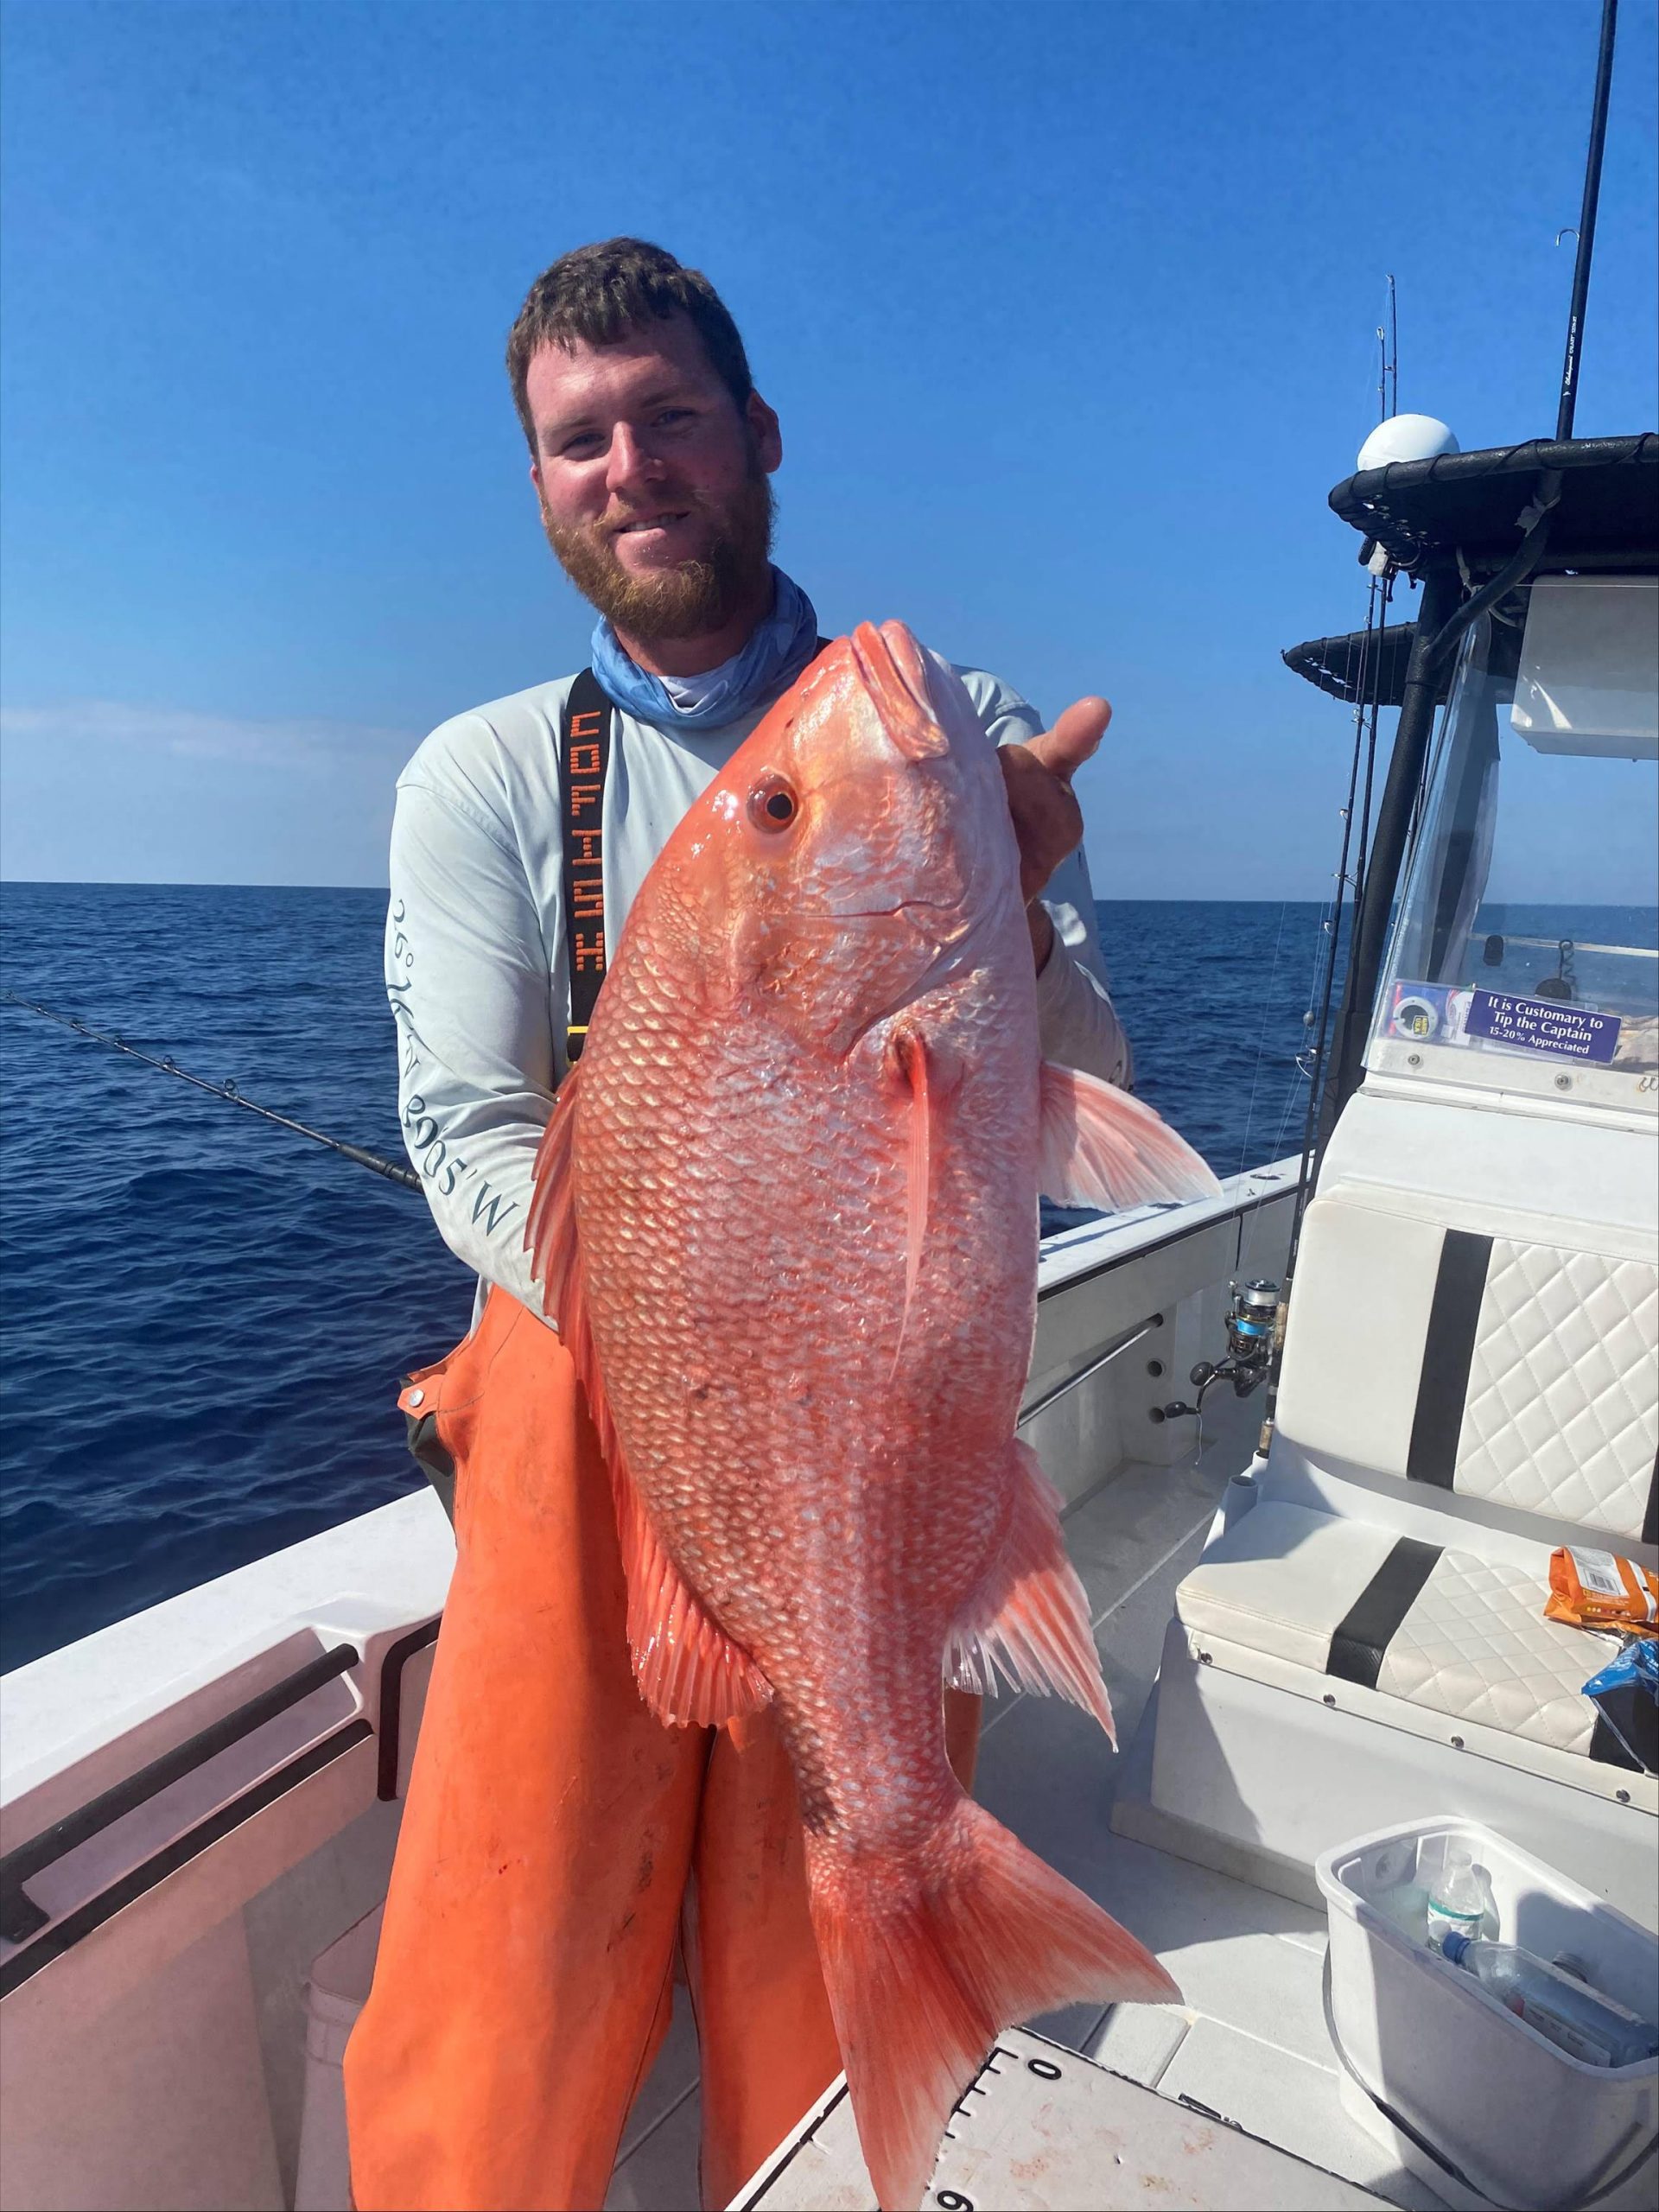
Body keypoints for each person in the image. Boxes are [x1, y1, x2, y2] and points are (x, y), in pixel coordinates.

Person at [344, 238, 1135, 2212]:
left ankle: (859, 2103)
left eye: (670, 416)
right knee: (507, 1958)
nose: (630, 465)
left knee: (819, 1947)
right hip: (582, 1391)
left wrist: (1020, 903)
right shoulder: (485, 776)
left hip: (867, 1407)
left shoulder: (952, 725)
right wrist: (678, 1314)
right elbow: (461, 1128)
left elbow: (1072, 1096)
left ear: (759, 435)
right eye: (579, 438)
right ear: (540, 485)